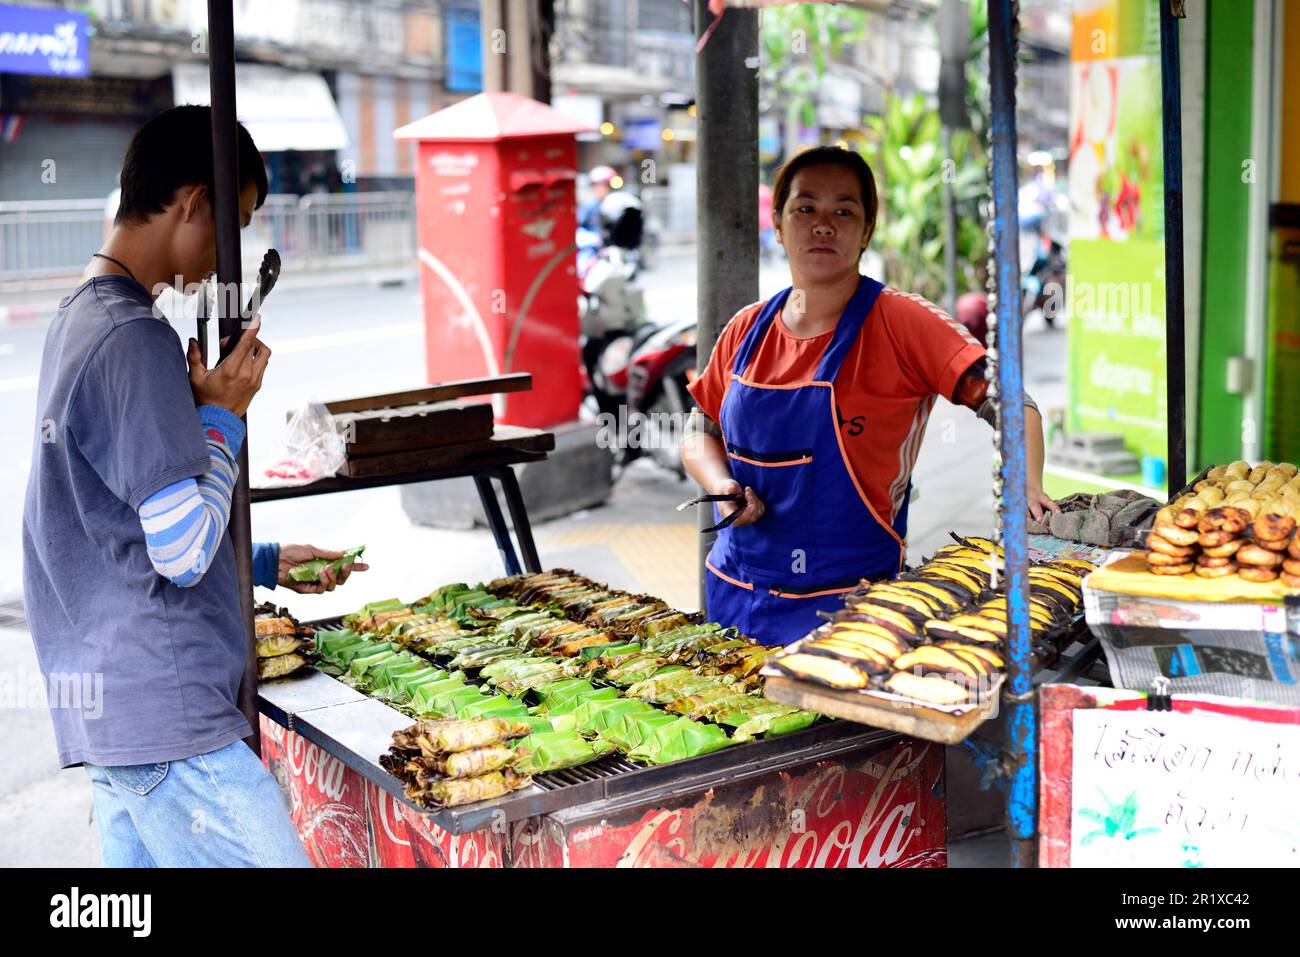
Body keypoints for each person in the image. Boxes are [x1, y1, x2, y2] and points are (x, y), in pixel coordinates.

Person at [22, 106, 367, 867]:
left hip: (121, 718)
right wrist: (222, 419)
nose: (225, 254)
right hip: (168, 718)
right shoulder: (133, 339)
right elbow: (179, 549)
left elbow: (115, 529)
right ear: (191, 203)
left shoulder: (81, 317)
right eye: (234, 222)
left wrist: (267, 557)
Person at [681, 146, 1059, 646]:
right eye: (805, 207)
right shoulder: (746, 329)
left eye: (844, 211)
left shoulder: (902, 322)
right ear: (777, 223)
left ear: (866, 230)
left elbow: (1014, 403)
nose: (822, 224)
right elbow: (697, 431)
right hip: (735, 593)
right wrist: (722, 486)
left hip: (853, 610)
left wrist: (1026, 485)